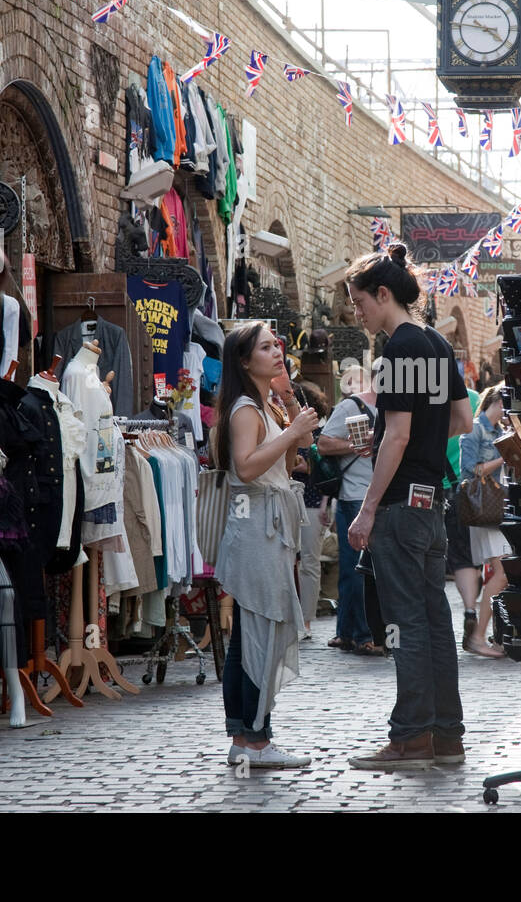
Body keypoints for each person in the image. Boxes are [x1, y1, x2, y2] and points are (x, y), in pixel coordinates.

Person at [344, 243, 474, 770]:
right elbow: (464, 420)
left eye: (358, 302)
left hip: (400, 506)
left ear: (383, 294)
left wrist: (367, 508)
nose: (355, 313)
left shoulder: (397, 350)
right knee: (434, 621)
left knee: (405, 624)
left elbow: (395, 435)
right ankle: (447, 736)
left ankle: (410, 736)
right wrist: (421, 436)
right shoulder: (437, 345)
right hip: (432, 503)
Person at [212, 322, 318, 769]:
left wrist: (290, 403)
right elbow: (246, 467)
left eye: (277, 346)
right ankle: (256, 741)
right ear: (243, 360)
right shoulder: (244, 410)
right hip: (255, 528)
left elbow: (301, 452)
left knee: (251, 637)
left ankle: (245, 736)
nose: (277, 353)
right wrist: (290, 433)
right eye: (266, 347)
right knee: (258, 636)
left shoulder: (265, 404)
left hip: (267, 528)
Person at [317, 365, 383, 656]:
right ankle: (362, 633)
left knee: (359, 570)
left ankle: (345, 631)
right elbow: (323, 444)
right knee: (357, 571)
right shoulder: (351, 406)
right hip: (355, 496)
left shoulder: (400, 408)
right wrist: (357, 444)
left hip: (380, 496)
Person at [458, 384, 512, 658]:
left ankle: (491, 635)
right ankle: (477, 636)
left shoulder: (501, 432)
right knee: (501, 574)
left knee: (503, 574)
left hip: (495, 509)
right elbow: (468, 470)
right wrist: (504, 456)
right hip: (482, 509)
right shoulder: (475, 429)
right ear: (497, 401)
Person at [291, 380, 331, 640]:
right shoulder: (289, 430)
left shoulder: (318, 435)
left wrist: (327, 504)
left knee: (308, 563)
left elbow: (322, 471)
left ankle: (305, 620)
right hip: (291, 500)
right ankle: (294, 618)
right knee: (292, 562)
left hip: (313, 502)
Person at [444, 386, 482, 649]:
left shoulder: (425, 394)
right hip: (472, 488)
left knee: (459, 555)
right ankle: (475, 608)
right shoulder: (472, 397)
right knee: (478, 552)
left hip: (439, 484)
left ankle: (469, 609)